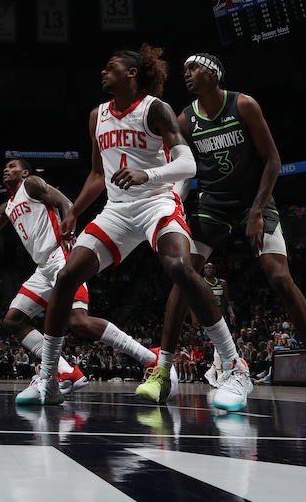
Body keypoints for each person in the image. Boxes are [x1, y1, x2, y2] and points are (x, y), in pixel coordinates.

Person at [15, 46, 250, 412]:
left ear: (132, 74)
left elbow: (187, 164)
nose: (103, 73)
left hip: (157, 201)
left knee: (179, 268)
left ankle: (235, 366)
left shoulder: (155, 108)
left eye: (111, 67)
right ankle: (49, 377)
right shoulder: (97, 115)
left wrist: (148, 174)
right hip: (117, 211)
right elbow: (97, 174)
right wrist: (74, 212)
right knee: (67, 278)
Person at [153, 52, 306, 409]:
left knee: (279, 277)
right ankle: (162, 371)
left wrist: (256, 212)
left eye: (193, 68)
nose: (187, 74)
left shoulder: (244, 105)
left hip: (253, 201)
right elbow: (181, 169)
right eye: (185, 70)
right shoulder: (185, 118)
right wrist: (174, 208)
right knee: (183, 274)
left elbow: (273, 160)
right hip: (212, 205)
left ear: (214, 73)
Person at [0, 158, 165, 397]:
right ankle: (66, 370)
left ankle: (149, 357)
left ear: (25, 173)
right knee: (13, 320)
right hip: (43, 268)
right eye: (4, 166)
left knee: (78, 320)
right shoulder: (7, 207)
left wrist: (69, 233)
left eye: (12, 166)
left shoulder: (32, 184)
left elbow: (65, 203)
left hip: (60, 256)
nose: (6, 169)